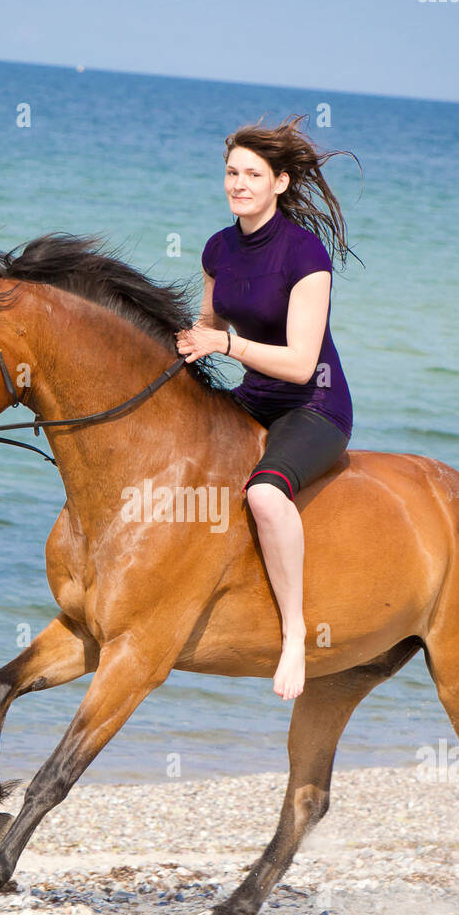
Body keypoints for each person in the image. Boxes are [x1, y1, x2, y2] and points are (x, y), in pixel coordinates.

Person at [176, 113, 358, 701]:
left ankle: (295, 635)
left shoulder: (306, 256)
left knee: (263, 493)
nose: (239, 183)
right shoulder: (218, 248)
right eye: (232, 172)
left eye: (252, 173)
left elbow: (302, 363)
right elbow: (207, 324)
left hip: (315, 403)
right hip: (254, 394)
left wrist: (226, 345)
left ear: (279, 182)